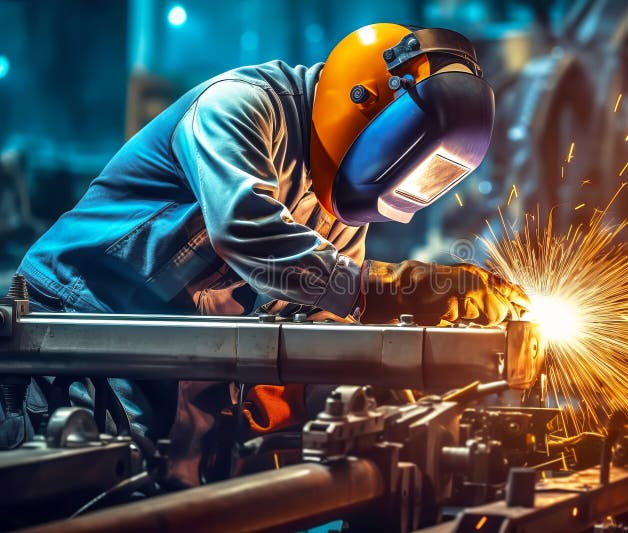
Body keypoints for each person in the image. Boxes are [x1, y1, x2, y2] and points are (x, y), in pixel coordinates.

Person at [3, 24, 530, 475]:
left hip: (172, 356)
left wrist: (393, 374)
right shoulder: (240, 106)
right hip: (77, 330)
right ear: (365, 100)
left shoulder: (334, 204)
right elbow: (246, 230)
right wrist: (387, 288)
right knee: (87, 490)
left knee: (173, 494)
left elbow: (324, 312)